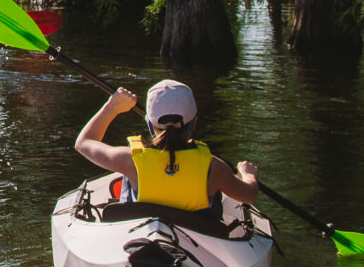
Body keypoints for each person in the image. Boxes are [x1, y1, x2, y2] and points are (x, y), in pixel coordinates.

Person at [74, 80, 259, 211]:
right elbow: (249, 195)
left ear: (149, 124)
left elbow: (84, 143)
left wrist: (112, 107)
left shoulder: (129, 160)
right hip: (196, 241)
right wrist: (248, 174)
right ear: (194, 122)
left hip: (143, 238)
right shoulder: (215, 167)